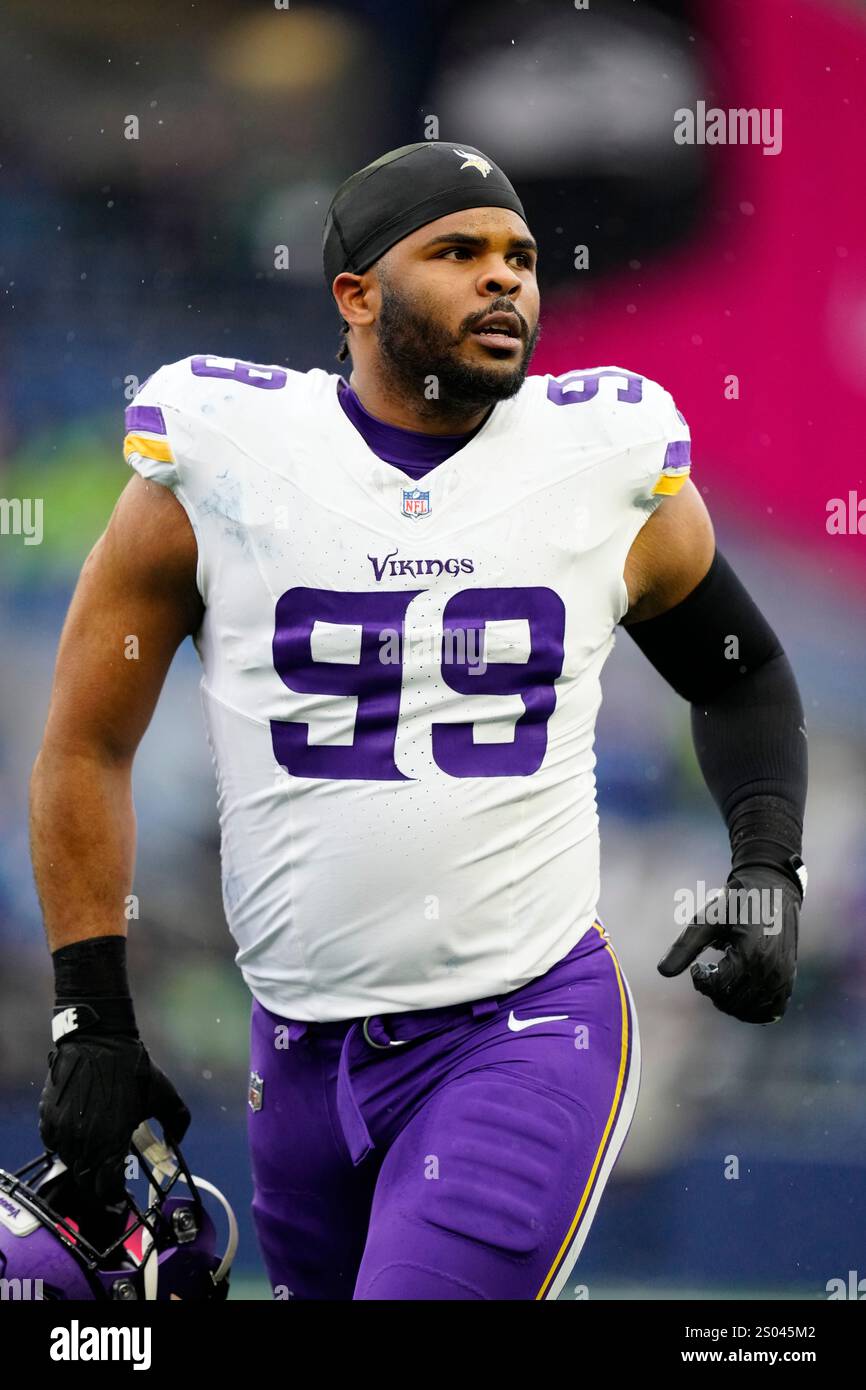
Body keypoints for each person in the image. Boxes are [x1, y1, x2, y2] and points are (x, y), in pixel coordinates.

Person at [30, 141, 807, 1300]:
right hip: (295, 1054)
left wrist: (764, 865)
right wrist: (88, 1016)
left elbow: (739, 674)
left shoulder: (598, 463)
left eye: (520, 257)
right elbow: (87, 743)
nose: (505, 280)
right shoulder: (223, 464)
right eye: (458, 252)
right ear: (354, 295)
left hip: (523, 1029)